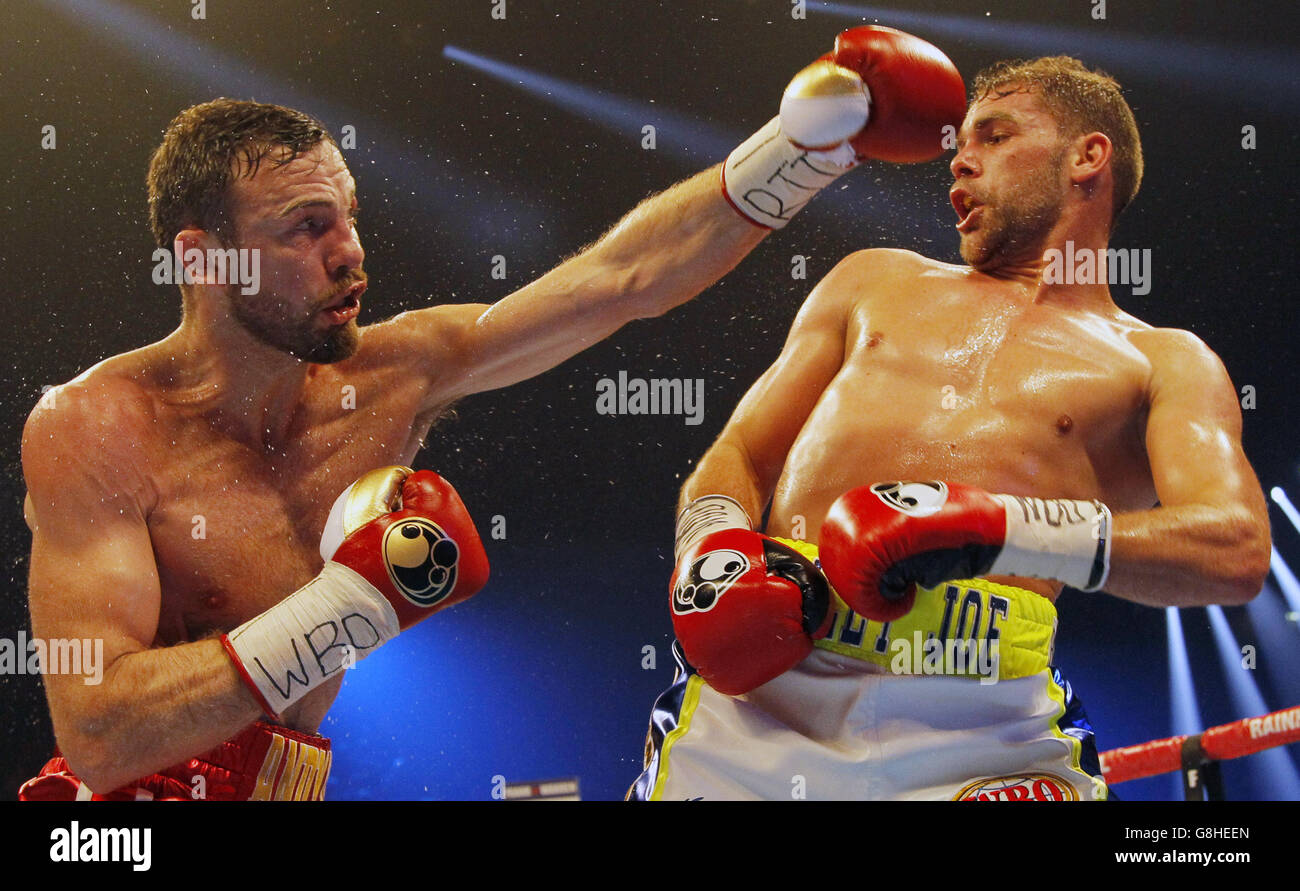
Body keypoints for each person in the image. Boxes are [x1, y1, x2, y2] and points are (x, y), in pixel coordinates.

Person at [18, 26, 966, 800]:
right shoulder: (97, 427)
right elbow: (100, 733)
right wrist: (349, 608)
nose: (350, 252)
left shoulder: (394, 375)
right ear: (203, 257)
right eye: (305, 228)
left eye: (348, 217)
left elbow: (618, 281)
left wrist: (800, 152)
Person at [631, 53, 1272, 801]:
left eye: (994, 136)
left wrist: (998, 527)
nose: (959, 163)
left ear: (1087, 156)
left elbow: (1234, 547)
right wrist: (711, 557)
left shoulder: (1162, 359)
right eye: (960, 144)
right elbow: (738, 455)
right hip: (766, 688)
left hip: (987, 729)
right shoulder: (872, 280)